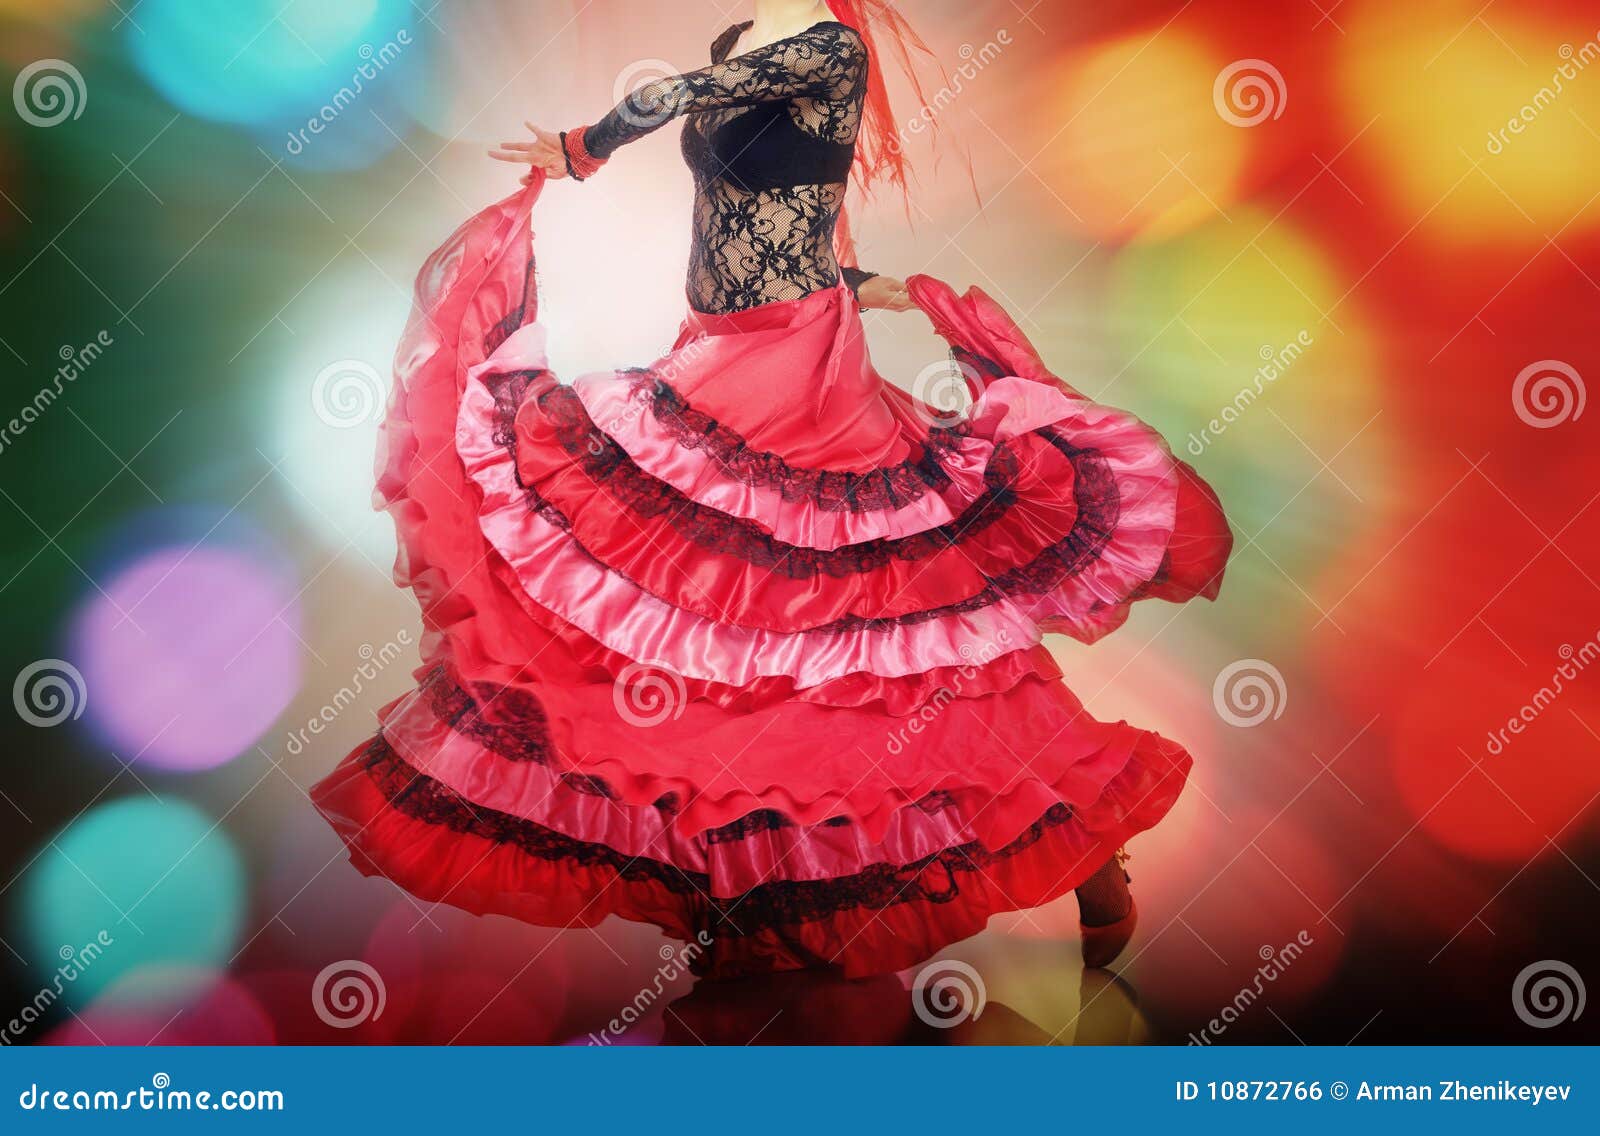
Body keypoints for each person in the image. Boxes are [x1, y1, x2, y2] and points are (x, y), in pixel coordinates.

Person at [313, 0, 1233, 980]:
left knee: (876, 633)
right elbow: (768, 200)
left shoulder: (830, 50)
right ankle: (744, 883)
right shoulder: (738, 39)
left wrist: (587, 145)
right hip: (714, 354)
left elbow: (683, 95)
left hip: (802, 370)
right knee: (702, 631)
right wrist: (856, 277)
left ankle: (1074, 831)